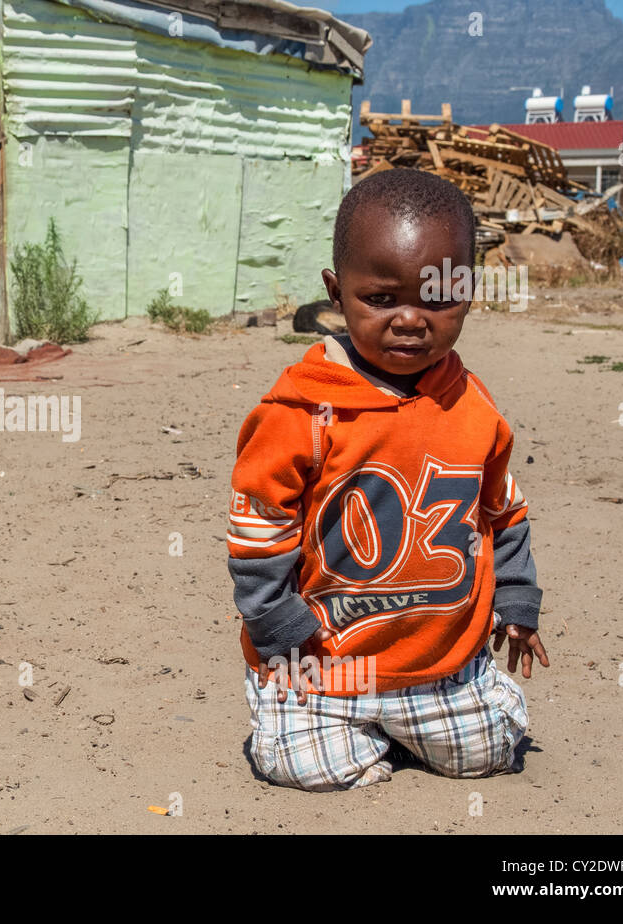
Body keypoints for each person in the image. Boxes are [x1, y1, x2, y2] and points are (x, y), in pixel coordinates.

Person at [228, 168, 550, 791]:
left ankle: (444, 708)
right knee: (306, 770)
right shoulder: (303, 408)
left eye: (437, 299)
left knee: (487, 755)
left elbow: (503, 510)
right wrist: (278, 627)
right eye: (381, 299)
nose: (410, 320)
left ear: (468, 292)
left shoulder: (472, 406)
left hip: (440, 665)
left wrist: (516, 600)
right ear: (335, 292)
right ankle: (342, 728)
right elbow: (259, 524)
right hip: (325, 664)